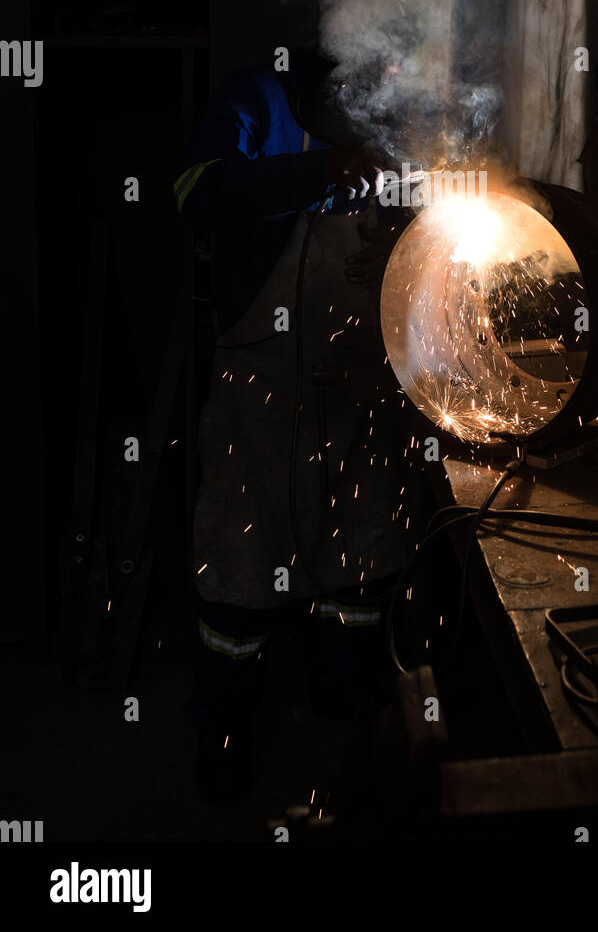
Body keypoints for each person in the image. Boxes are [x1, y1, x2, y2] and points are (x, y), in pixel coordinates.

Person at [173, 49, 414, 800]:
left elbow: (422, 222)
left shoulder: (400, 113)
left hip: (357, 393)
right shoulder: (258, 100)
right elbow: (196, 188)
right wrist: (317, 172)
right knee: (239, 577)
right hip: (260, 394)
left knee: (361, 566)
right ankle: (225, 745)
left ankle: (346, 737)